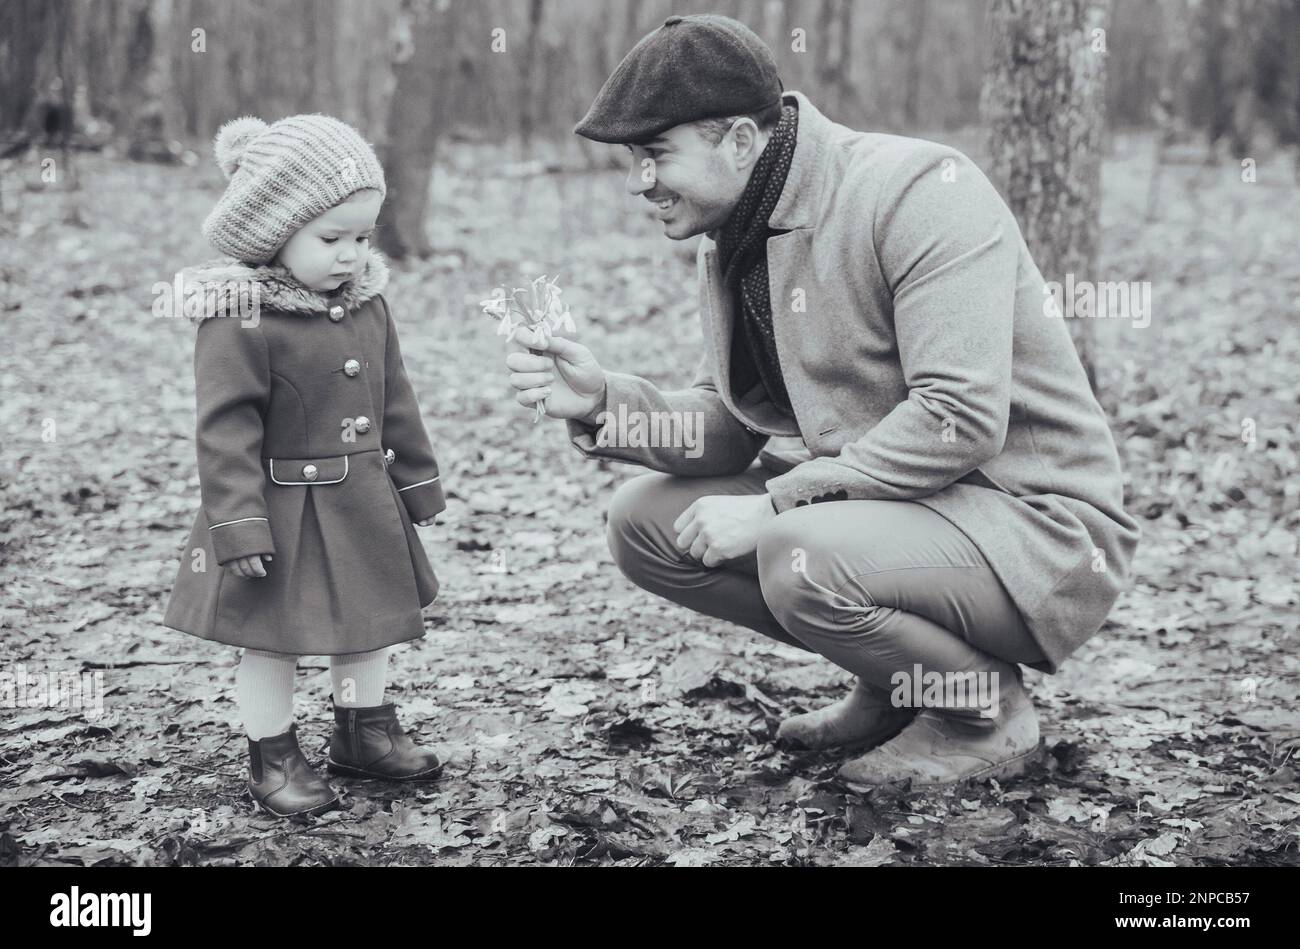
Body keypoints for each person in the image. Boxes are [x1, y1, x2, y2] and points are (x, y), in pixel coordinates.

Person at [504, 15, 1140, 788]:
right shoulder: (736, 230)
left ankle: (981, 713)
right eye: (633, 159)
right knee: (644, 523)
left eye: (655, 155)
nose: (640, 183)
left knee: (795, 554)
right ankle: (896, 682)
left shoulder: (916, 190)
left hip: (1032, 528)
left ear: (740, 140)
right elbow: (731, 428)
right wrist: (605, 403)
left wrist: (777, 508)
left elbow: (959, 416)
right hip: (900, 518)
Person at [164, 115, 448, 816]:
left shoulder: (367, 306)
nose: (350, 255)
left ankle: (364, 729)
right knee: (272, 640)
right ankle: (274, 753)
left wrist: (416, 480)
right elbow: (224, 429)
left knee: (371, 619)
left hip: (361, 500)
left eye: (361, 237)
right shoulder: (239, 319)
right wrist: (238, 524)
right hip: (279, 508)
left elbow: (396, 398)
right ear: (272, 231)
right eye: (331, 239)